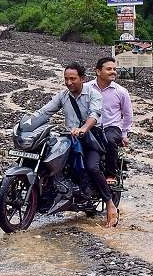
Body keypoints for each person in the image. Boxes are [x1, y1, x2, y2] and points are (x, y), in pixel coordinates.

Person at [34, 62, 118, 227]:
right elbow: (45, 111)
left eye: (73, 79)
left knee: (92, 167)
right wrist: (28, 122)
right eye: (66, 79)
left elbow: (95, 114)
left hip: (92, 138)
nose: (69, 82)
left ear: (83, 79)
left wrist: (83, 128)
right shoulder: (63, 96)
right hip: (70, 138)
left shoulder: (93, 94)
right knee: (49, 158)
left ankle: (110, 203)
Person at [84, 56, 132, 186]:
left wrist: (124, 135)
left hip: (111, 126)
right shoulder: (87, 88)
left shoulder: (121, 91)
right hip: (91, 126)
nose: (113, 72)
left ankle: (111, 173)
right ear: (98, 71)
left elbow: (128, 115)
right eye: (109, 69)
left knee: (110, 140)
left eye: (114, 69)